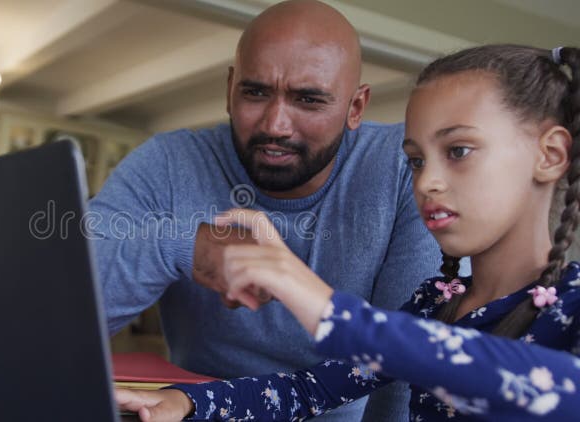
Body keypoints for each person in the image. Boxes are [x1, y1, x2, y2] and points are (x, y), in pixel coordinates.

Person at [114, 44, 580, 421]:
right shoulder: (437, 301)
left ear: (551, 155)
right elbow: (309, 388)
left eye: (458, 150)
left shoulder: (572, 304)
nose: (427, 182)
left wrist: (323, 304)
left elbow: (556, 386)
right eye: (416, 160)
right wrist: (188, 402)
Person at [89, 1, 442, 420]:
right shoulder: (166, 164)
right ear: (229, 89)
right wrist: (184, 246)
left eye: (308, 100)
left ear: (356, 108)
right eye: (256, 92)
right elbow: (59, 312)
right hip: (187, 410)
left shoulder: (407, 167)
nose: (276, 124)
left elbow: (404, 369)